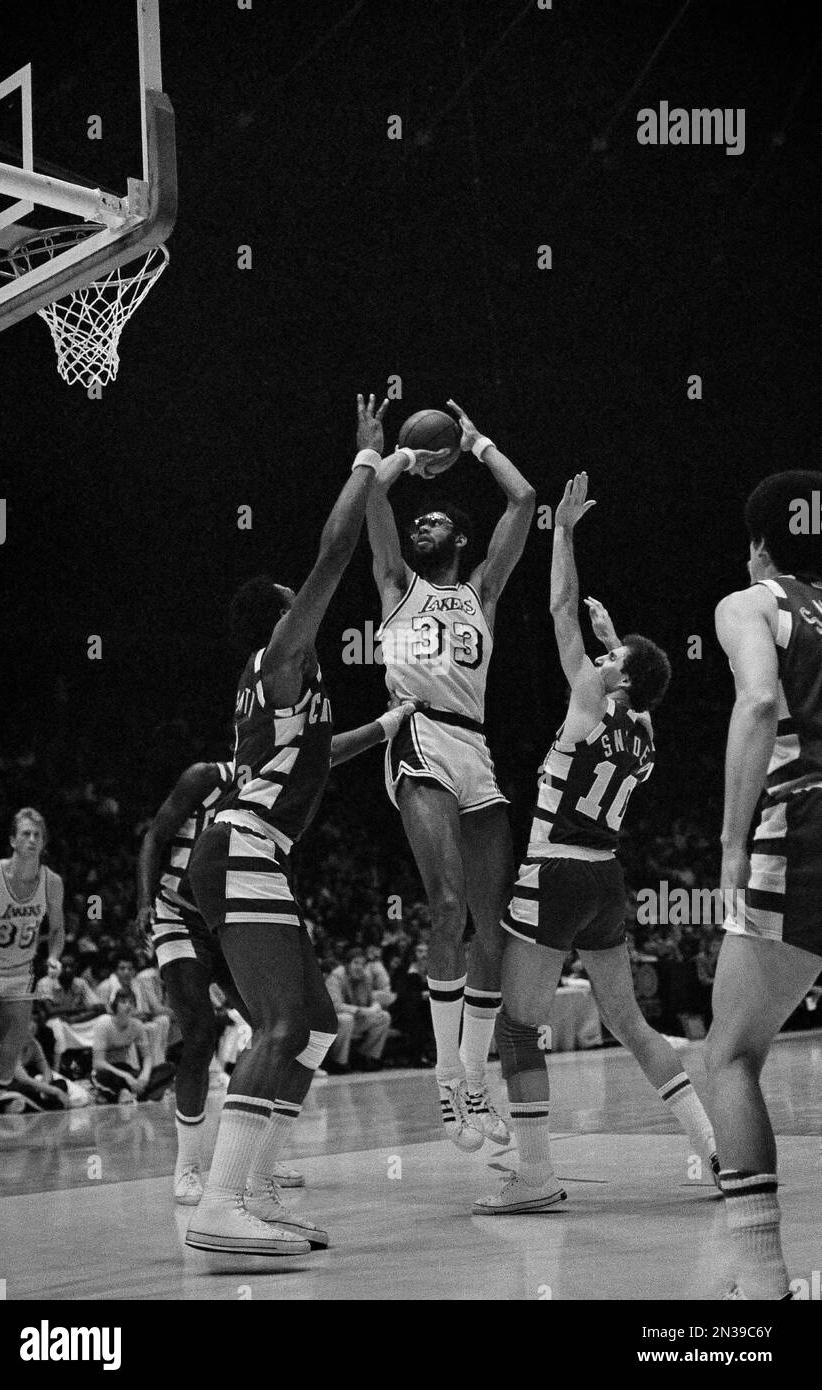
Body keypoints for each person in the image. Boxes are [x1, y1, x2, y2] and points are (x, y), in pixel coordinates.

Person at [184, 394, 446, 1256]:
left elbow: (315, 758)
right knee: (282, 1028)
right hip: (243, 847)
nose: (312, 604)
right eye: (298, 602)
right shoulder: (280, 657)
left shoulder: (284, 698)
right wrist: (378, 462)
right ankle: (218, 1204)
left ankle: (252, 1190)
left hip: (252, 847)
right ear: (279, 617)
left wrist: (385, 726)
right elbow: (335, 550)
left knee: (321, 1024)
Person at [474, 474, 718, 1215]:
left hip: (552, 876)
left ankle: (537, 1175)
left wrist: (565, 535)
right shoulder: (645, 732)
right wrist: (621, 646)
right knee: (631, 1022)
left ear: (616, 679)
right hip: (606, 881)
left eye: (611, 660)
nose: (600, 657)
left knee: (518, 1030)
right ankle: (712, 1149)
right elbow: (640, 685)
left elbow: (556, 608)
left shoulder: (587, 695)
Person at [138, 711, 413, 1202]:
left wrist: (389, 724)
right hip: (178, 913)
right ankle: (188, 1167)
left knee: (284, 1029)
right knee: (199, 1032)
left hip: (229, 910)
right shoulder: (205, 777)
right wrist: (142, 903)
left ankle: (254, 1156)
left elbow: (325, 753)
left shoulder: (278, 780)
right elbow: (155, 836)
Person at [366, 399, 535, 1150]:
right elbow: (371, 497)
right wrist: (399, 456)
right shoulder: (396, 581)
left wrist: (475, 441)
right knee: (445, 905)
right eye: (420, 517)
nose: (423, 521)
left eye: (438, 519)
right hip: (419, 737)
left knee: (494, 924)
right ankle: (443, 1080)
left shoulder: (482, 595)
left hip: (478, 750)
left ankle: (475, 1075)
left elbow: (525, 499)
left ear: (461, 539)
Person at [705, 469, 822, 1300]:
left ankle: (762, 1284)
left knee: (732, 1056)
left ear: (757, 546)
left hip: (806, 821)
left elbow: (755, 704)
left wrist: (731, 842)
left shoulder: (752, 603)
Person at [0, 808, 65, 1149]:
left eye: (37, 835)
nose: (32, 840)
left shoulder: (52, 883)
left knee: (9, 1061)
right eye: (25, 834)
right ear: (12, 839)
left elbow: (56, 931)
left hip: (20, 974)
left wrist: (53, 960)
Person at [92, 990, 175, 1103]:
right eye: (123, 1002)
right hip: (108, 1071)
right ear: (115, 1005)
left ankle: (131, 1093)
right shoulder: (103, 1023)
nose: (128, 1005)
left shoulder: (137, 1025)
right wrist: (126, 1076)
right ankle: (135, 1093)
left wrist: (144, 1076)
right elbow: (98, 1063)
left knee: (169, 1068)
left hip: (126, 1068)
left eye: (131, 1002)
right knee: (103, 1077)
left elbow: (147, 1057)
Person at [326, 951, 392, 1072]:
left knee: (384, 1017)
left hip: (356, 1018)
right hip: (332, 1020)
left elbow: (371, 1000)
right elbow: (335, 1006)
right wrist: (361, 1011)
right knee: (347, 1019)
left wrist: (375, 1006)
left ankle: (366, 1057)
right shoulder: (335, 977)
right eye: (356, 963)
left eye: (363, 964)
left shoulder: (365, 977)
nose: (360, 967)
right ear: (347, 964)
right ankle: (338, 1063)